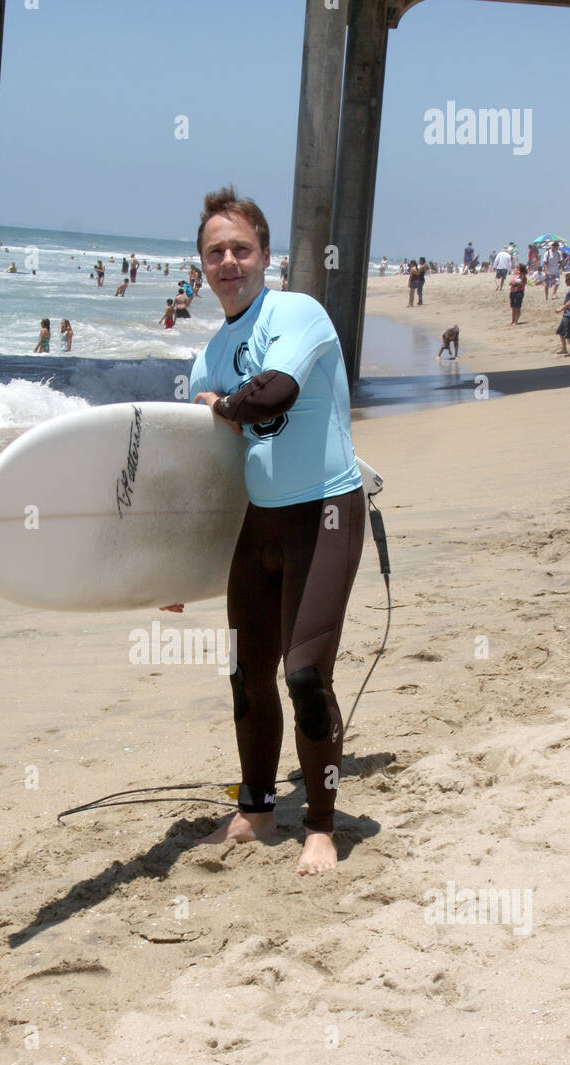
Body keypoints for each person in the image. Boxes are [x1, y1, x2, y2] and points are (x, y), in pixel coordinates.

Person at [187, 185, 365, 875]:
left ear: (265, 255)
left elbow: (274, 395)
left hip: (325, 510)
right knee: (246, 673)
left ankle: (320, 825)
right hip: (258, 523)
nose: (228, 261)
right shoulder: (208, 354)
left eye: (240, 248)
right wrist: (173, 567)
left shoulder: (299, 313)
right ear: (202, 266)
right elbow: (201, 474)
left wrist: (222, 404)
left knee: (305, 674)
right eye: (214, 252)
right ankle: (257, 809)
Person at [554, 272, 570, 355]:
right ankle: (564, 349)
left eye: (566, 280)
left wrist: (561, 309)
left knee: (568, 333)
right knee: (561, 332)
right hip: (567, 314)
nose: (565, 282)